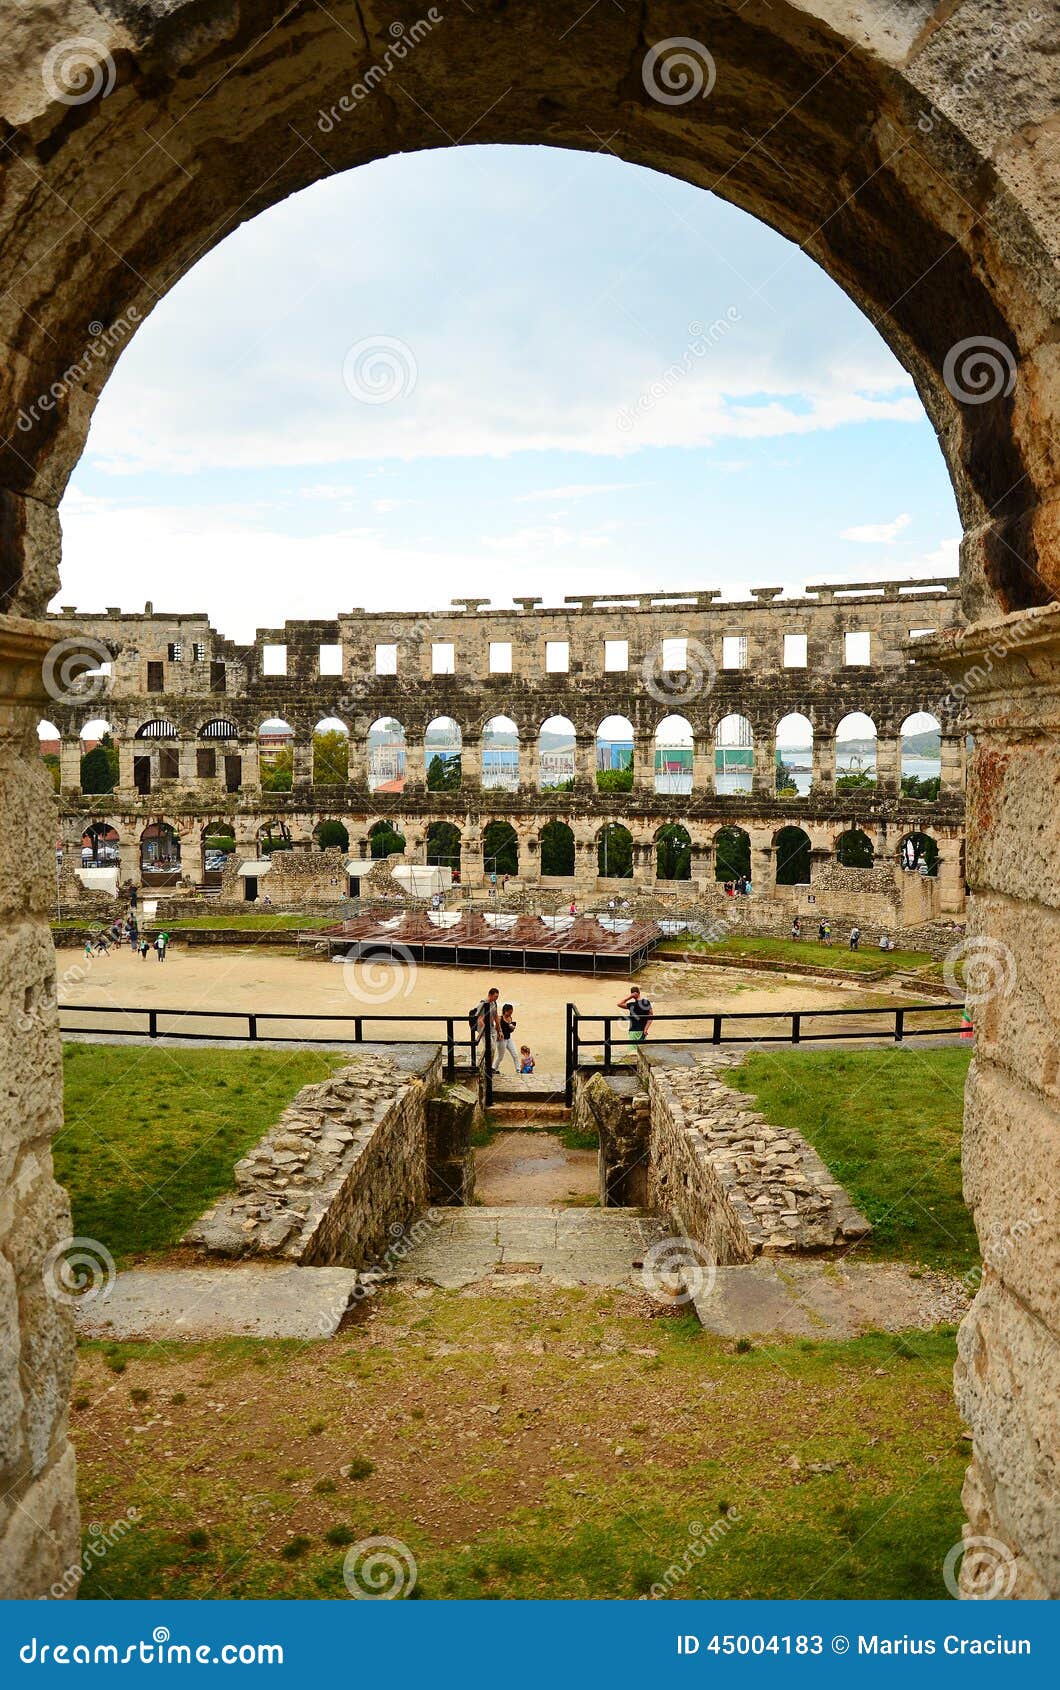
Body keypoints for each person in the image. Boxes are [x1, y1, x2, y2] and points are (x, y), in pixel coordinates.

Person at [472, 986, 501, 1057]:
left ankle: (489, 1066)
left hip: (491, 1027)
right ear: (490, 995)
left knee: (493, 1049)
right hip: (484, 1029)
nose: (496, 998)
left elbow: (496, 1016)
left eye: (497, 996)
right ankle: (486, 1065)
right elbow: (480, 1020)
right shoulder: (482, 1004)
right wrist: (485, 1031)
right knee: (490, 1048)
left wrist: (499, 1030)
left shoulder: (494, 1003)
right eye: (495, 996)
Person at [493, 1003, 519, 1074]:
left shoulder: (510, 1018)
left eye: (511, 1012)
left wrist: (512, 1028)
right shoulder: (500, 1018)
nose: (510, 1014)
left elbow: (510, 1031)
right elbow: (496, 1028)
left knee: (515, 1054)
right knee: (500, 1056)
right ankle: (494, 1068)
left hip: (508, 1039)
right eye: (509, 1012)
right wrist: (499, 1034)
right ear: (505, 1011)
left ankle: (518, 1069)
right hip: (501, 1040)